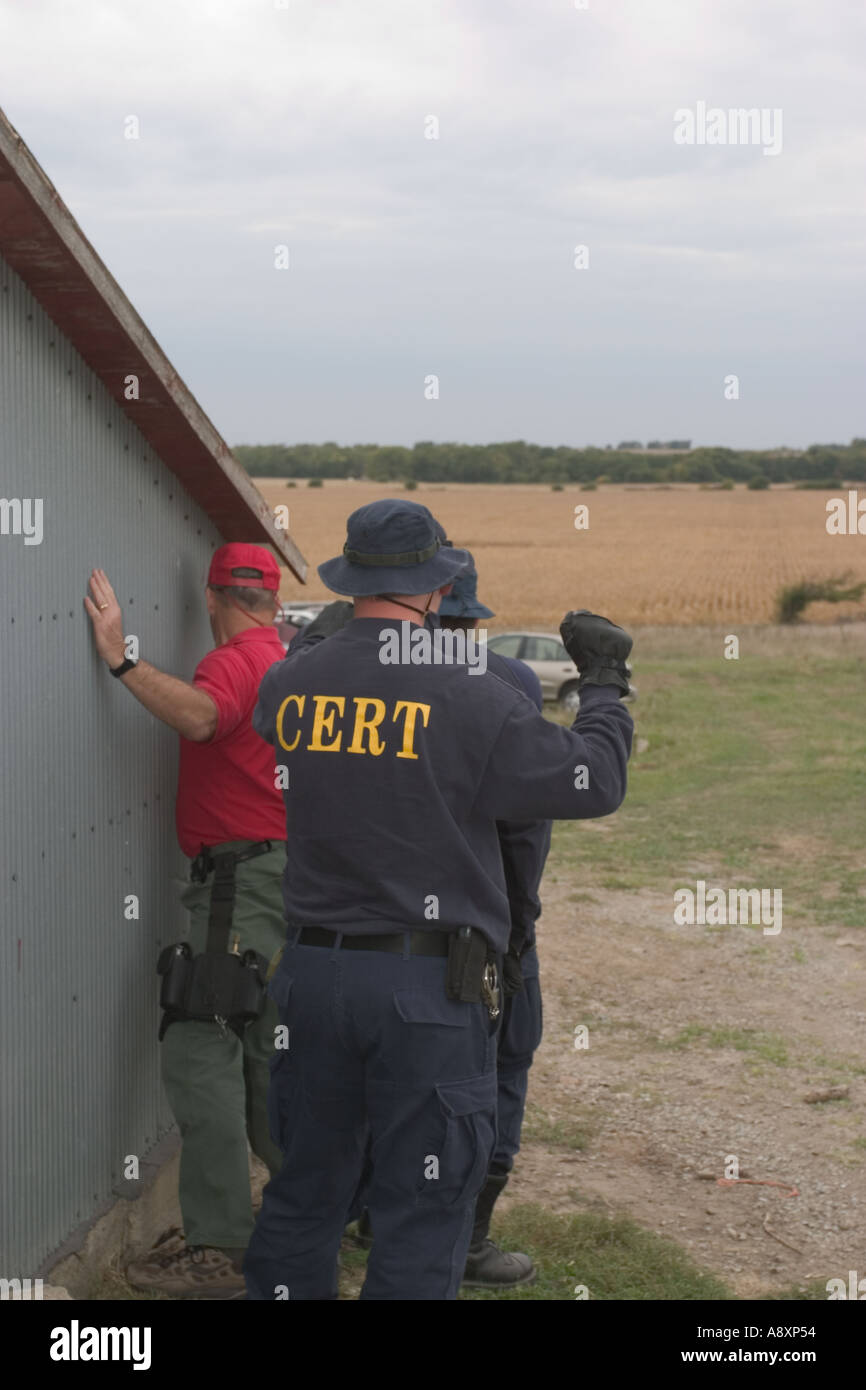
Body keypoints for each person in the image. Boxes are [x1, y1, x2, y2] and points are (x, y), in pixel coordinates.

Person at [243, 498, 633, 1301]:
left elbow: (273, 709)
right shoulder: (471, 687)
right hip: (425, 990)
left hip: (311, 976)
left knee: (302, 1196)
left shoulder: (294, 682)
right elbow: (592, 783)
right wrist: (604, 687)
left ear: (352, 580)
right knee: (422, 1213)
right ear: (434, 587)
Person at [85, 543, 289, 1299]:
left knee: (203, 1047)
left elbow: (202, 720)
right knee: (268, 1053)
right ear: (269, 599)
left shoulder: (236, 663)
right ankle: (309, 1219)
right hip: (284, 881)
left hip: (236, 889)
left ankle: (223, 1252)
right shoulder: (289, 659)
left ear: (212, 598)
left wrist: (120, 660)